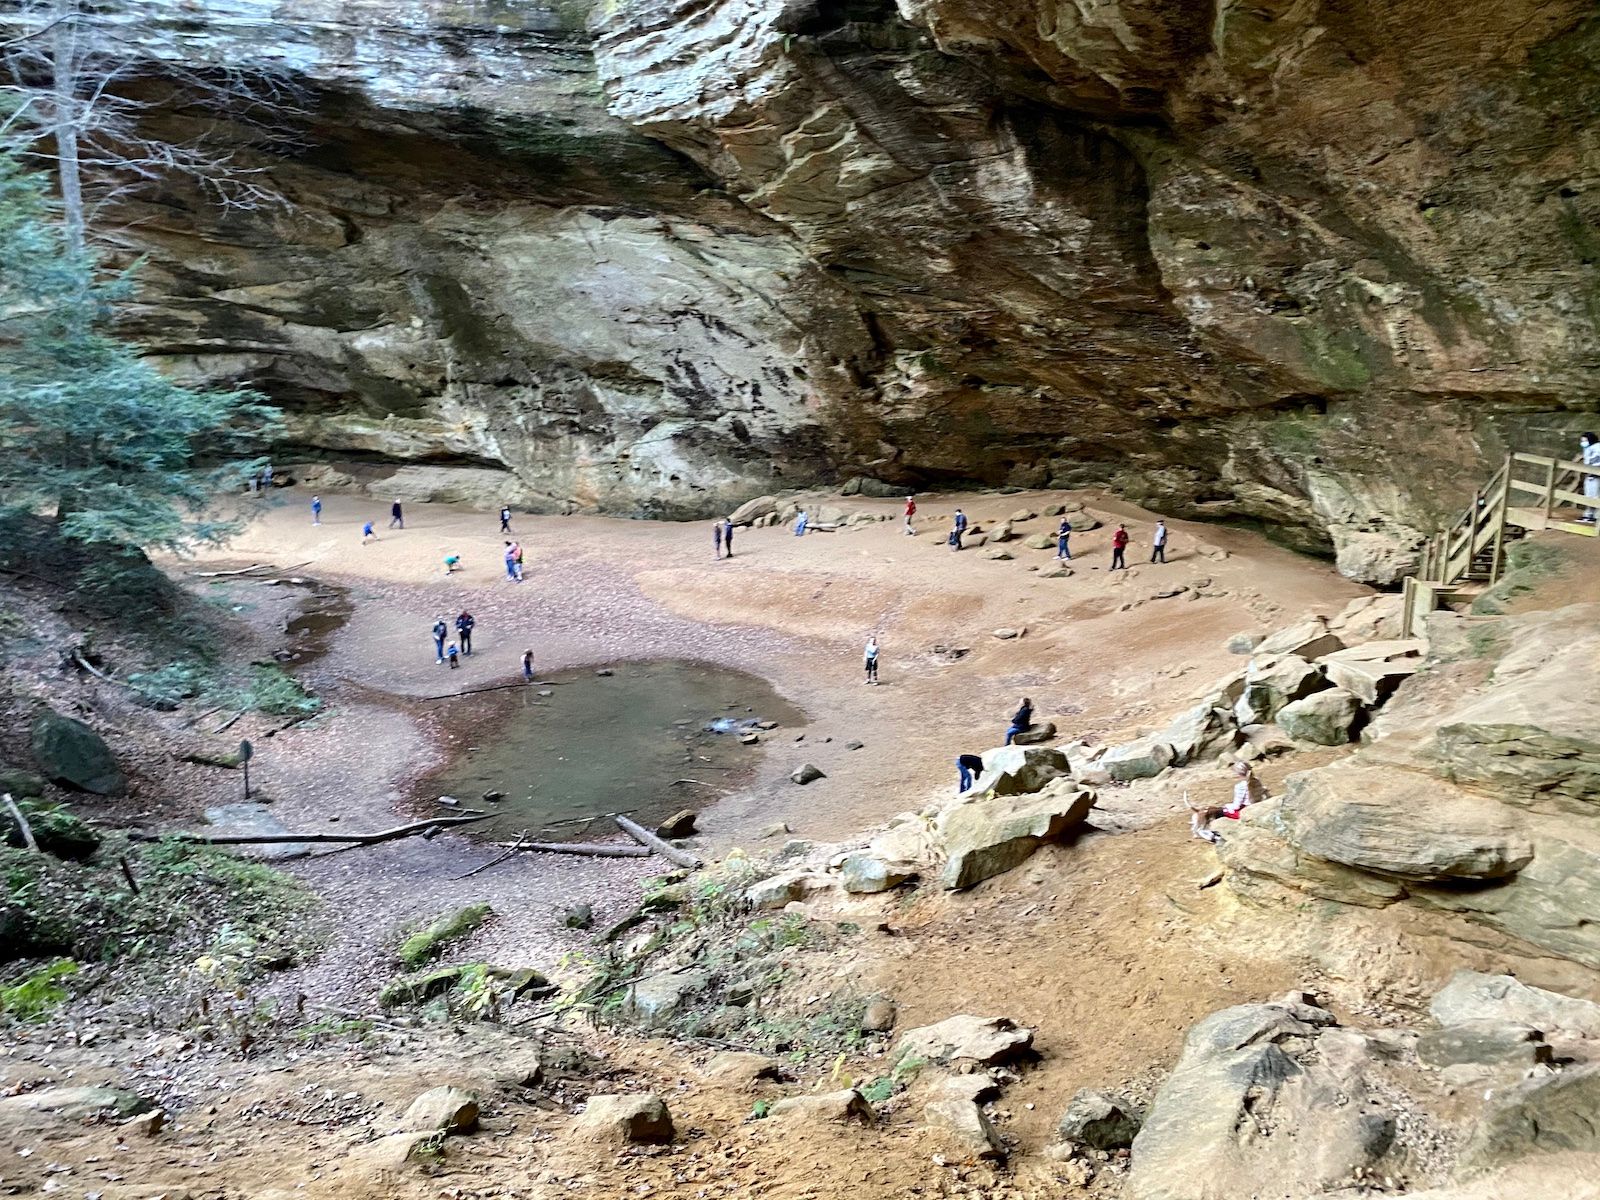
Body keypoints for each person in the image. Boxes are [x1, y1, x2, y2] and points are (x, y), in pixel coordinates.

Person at [1189, 762, 1268, 843]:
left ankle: (1212, 835)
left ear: (1239, 773)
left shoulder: (1240, 786)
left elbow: (1236, 806)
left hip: (1242, 811)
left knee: (1217, 811)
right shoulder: (1256, 781)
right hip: (1256, 807)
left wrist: (1227, 806)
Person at [1582, 432, 1600, 522]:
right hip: (1589, 474)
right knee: (1588, 494)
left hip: (1596, 474)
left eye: (1585, 440)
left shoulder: (1597, 447)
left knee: (1596, 495)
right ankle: (1589, 514)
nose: (1583, 443)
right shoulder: (1588, 449)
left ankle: (1596, 515)